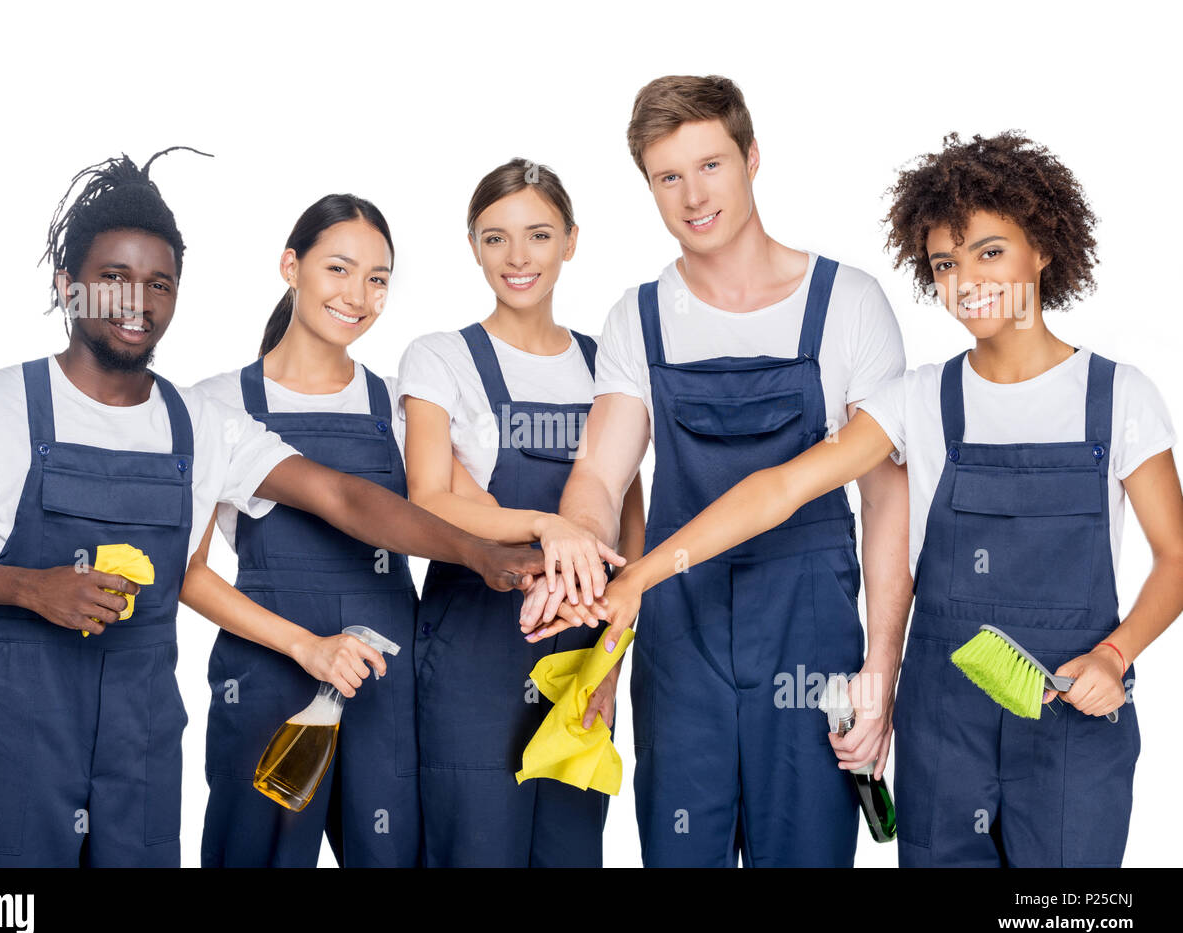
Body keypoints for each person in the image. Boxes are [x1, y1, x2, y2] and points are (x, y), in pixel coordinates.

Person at [0, 150, 542, 867]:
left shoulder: (199, 423)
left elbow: (346, 496)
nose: (137, 300)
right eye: (113, 279)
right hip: (22, 725)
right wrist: (27, 586)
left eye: (158, 283)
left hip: (145, 735)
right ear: (66, 286)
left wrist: (483, 552)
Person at [590, 132, 1183, 867]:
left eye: (990, 251)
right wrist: (642, 574)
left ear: (1044, 248)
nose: (967, 280)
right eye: (945, 263)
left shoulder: (1120, 397)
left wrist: (1114, 653)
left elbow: (1175, 557)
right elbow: (781, 488)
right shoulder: (920, 399)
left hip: (1073, 718)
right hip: (946, 725)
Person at [532, 75, 913, 867]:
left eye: (710, 166)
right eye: (668, 177)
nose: (692, 195)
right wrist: (573, 540)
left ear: (752, 158)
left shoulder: (848, 303)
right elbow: (601, 476)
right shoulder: (637, 316)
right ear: (648, 187)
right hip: (680, 638)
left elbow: (886, 504)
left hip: (808, 638)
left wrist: (881, 668)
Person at [398, 158, 645, 866]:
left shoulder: (609, 365)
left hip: (582, 646)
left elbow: (630, 511)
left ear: (571, 240)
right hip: (472, 648)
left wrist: (610, 665)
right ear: (473, 245)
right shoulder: (440, 358)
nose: (518, 257)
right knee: (476, 844)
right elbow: (430, 497)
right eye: (495, 237)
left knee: (571, 844)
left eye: (538, 235)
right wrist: (548, 523)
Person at [186, 194, 423, 867]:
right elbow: (188, 573)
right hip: (267, 676)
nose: (359, 296)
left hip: (387, 676)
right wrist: (308, 647)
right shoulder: (215, 404)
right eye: (339, 269)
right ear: (291, 266)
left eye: (377, 279)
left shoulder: (401, 404)